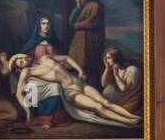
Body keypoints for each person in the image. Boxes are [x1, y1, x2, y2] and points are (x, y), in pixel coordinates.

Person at [12, 51, 141, 128]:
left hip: (80, 83)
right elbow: (19, 93)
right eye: (21, 62)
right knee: (98, 106)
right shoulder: (28, 71)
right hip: (70, 92)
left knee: (106, 102)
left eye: (22, 57)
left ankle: (130, 116)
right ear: (20, 70)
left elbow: (67, 58)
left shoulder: (45, 58)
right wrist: (28, 111)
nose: (24, 59)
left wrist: (80, 70)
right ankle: (127, 121)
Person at [68, 0, 105, 86]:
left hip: (90, 38)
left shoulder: (95, 5)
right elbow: (71, 21)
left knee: (89, 65)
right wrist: (77, 8)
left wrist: (76, 25)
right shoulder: (81, 7)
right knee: (76, 63)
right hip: (79, 39)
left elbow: (91, 22)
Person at [101, 46, 143, 115]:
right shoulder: (112, 68)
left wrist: (116, 75)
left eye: (109, 58)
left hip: (116, 102)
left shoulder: (132, 69)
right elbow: (103, 84)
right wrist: (107, 68)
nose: (107, 61)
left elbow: (123, 89)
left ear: (116, 58)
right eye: (106, 58)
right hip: (105, 99)